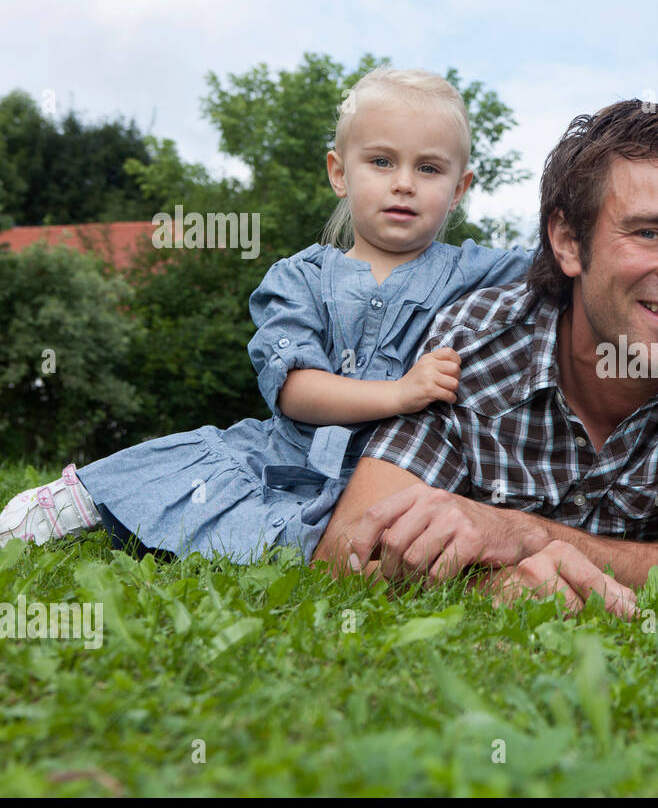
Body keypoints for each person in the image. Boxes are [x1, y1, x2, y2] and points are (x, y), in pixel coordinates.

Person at [0, 67, 531, 563]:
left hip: (391, 476)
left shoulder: (476, 270)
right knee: (193, 472)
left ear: (460, 189)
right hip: (283, 458)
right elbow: (294, 389)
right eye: (382, 161)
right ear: (339, 172)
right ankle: (69, 505)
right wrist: (400, 393)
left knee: (367, 545)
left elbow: (567, 265)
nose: (404, 183)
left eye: (430, 168)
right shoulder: (299, 278)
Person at [312, 100, 658, 617]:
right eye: (649, 233)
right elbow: (343, 552)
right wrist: (487, 590)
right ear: (568, 241)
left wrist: (519, 534)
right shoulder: (475, 342)